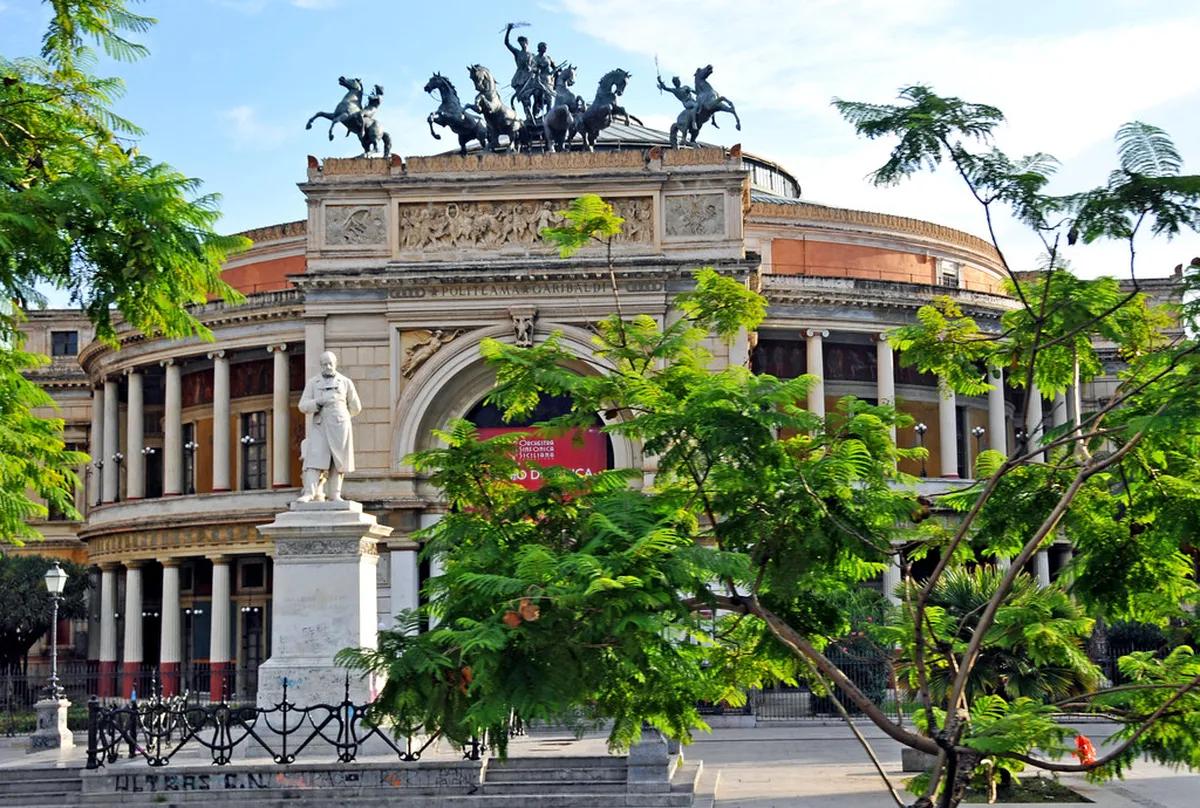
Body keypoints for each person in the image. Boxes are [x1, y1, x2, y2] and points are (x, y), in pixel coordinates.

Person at [297, 351, 361, 503]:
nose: (328, 367)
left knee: (337, 461)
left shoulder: (345, 382)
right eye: (325, 364)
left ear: (335, 364)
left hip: (340, 426)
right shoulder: (313, 383)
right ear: (320, 365)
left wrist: (341, 416)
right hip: (320, 426)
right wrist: (318, 402)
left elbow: (356, 407)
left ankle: (335, 494)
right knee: (314, 460)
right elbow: (302, 406)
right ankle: (309, 493)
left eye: (330, 363)